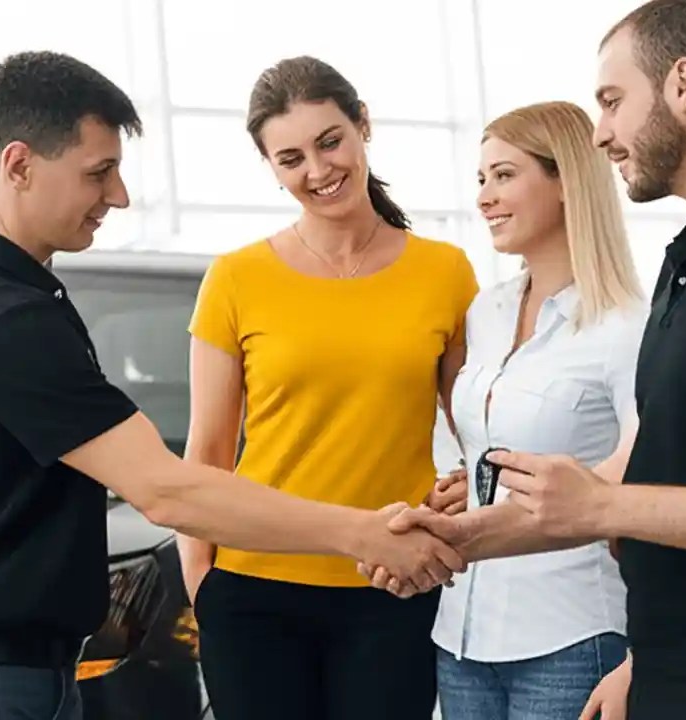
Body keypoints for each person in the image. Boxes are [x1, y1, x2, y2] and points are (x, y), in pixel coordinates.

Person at [0, 51, 465, 720]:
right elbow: (165, 486)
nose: (119, 196)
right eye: (98, 173)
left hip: (4, 670)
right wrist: (359, 534)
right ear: (18, 165)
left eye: (330, 141)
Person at [373, 1, 686, 718]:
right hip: (677, 673)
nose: (602, 133)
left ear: (683, 83)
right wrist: (458, 539)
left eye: (613, 101)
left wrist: (606, 506)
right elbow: (622, 474)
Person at [174, 55, 479, 720]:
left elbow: (479, 429)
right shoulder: (235, 278)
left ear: (363, 125)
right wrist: (205, 588)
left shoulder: (445, 273)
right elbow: (208, 454)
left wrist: (465, 487)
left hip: (391, 588)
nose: (317, 171)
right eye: (290, 158)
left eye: (329, 141)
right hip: (252, 594)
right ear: (272, 168)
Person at [422, 100, 645, 720]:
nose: (485, 197)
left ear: (566, 181)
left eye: (505, 175)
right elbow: (492, 443)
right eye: (481, 179)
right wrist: (468, 487)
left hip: (571, 637)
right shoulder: (485, 312)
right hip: (461, 636)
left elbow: (651, 485)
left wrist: (643, 654)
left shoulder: (626, 326)